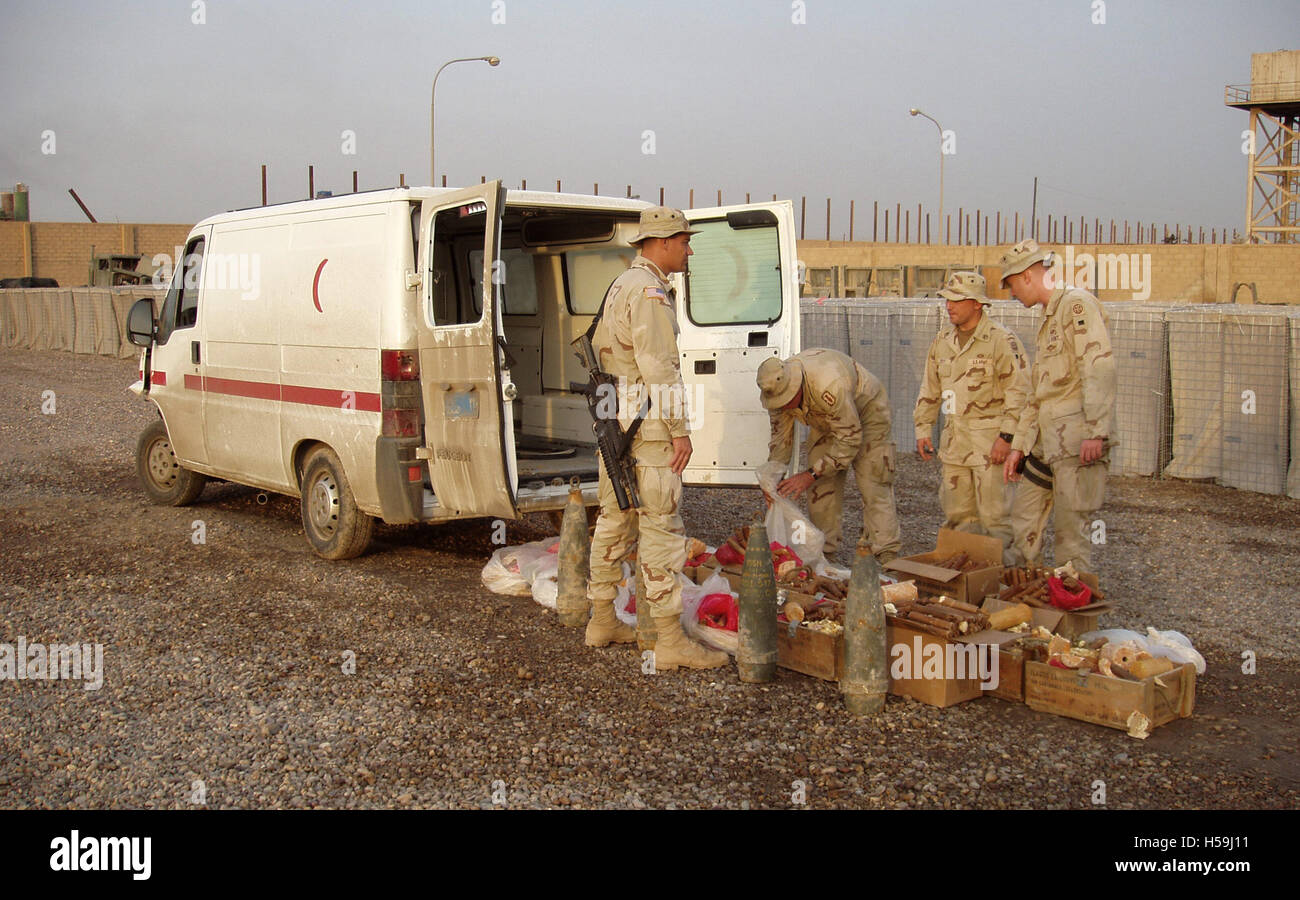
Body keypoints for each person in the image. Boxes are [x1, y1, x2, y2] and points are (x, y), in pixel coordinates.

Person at [583, 206, 728, 670]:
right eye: (685, 242)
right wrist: (680, 430)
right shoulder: (649, 293)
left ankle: (601, 619)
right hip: (646, 432)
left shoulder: (621, 285)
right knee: (662, 530)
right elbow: (659, 367)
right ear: (662, 242)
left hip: (616, 427)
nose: (688, 250)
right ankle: (668, 641)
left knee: (613, 521)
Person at [998, 239, 1117, 575]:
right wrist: (1018, 447)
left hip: (1077, 443)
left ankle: (1072, 610)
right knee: (1024, 520)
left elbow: (1098, 366)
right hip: (1046, 444)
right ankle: (1029, 590)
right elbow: (1038, 393)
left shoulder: (1076, 306)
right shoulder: (1048, 320)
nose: (1012, 294)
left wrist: (1097, 431)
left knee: (1070, 533)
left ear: (1026, 277)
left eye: (1011, 286)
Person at [914, 271, 1030, 558]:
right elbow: (930, 387)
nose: (949, 306)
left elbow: (1020, 393)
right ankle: (965, 581)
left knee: (995, 519)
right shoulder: (942, 341)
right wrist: (923, 428)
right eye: (947, 300)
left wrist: (1007, 437)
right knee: (958, 517)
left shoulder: (1001, 341)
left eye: (957, 299)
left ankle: (1004, 582)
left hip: (990, 446)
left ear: (977, 304)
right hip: (955, 445)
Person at [756, 348, 901, 565]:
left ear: (795, 387)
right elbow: (780, 441)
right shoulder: (775, 392)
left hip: (867, 412)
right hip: (826, 420)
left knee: (874, 483)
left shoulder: (829, 385)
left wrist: (810, 474)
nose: (782, 404)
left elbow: (850, 439)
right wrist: (773, 480)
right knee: (820, 489)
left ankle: (887, 555)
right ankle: (826, 554)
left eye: (786, 399)